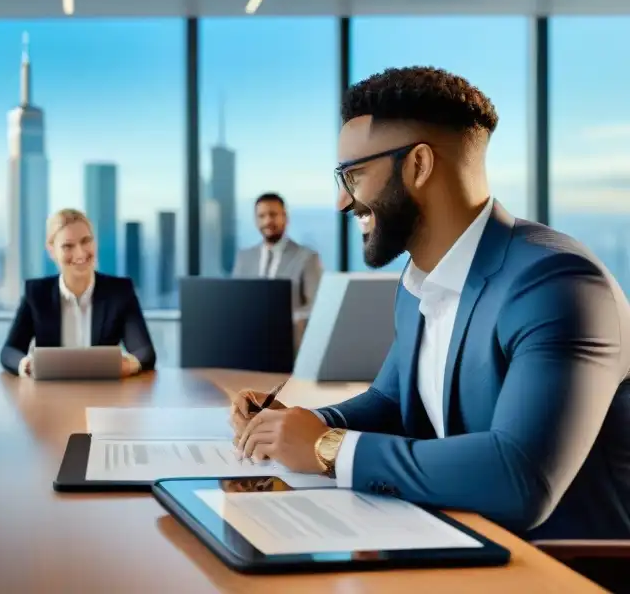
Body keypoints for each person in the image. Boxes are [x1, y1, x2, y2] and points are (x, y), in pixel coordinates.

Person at [230, 66, 630, 541]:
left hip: (560, 568)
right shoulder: (419, 280)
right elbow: (391, 401)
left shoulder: (556, 284)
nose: (342, 201)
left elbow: (521, 477)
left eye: (353, 175)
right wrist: (301, 425)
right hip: (455, 536)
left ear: (418, 166)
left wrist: (329, 448)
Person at [0, 208, 156, 377]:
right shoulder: (37, 293)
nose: (80, 253)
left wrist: (128, 365)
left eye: (86, 241)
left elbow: (144, 351)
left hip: (104, 394)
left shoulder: (119, 291)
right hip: (51, 396)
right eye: (68, 246)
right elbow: (9, 351)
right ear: (52, 250)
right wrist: (26, 364)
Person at [231, 192, 323, 313]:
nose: (268, 221)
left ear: (285, 217)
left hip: (289, 330)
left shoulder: (307, 257)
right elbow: (234, 302)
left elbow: (315, 307)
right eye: (261, 216)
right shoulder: (244, 258)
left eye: (273, 215)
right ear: (255, 220)